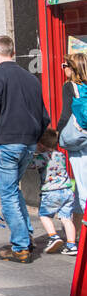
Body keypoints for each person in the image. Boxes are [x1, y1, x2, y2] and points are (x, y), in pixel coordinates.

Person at [0, 35, 51, 263]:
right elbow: (44, 116)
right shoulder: (31, 79)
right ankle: (26, 235)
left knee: (7, 195)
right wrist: (35, 138)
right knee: (13, 190)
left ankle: (20, 247)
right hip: (27, 144)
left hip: (6, 144)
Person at [33, 127, 78, 256]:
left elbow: (31, 165)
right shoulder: (61, 155)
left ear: (40, 145)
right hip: (68, 191)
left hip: (51, 191)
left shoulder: (42, 157)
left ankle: (53, 237)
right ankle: (71, 245)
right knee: (66, 218)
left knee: (44, 215)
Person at [55, 51, 87, 213]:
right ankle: (76, 234)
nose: (63, 69)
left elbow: (66, 113)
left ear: (72, 68)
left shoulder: (69, 86)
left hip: (78, 139)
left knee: (83, 187)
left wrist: (56, 135)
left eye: (64, 66)